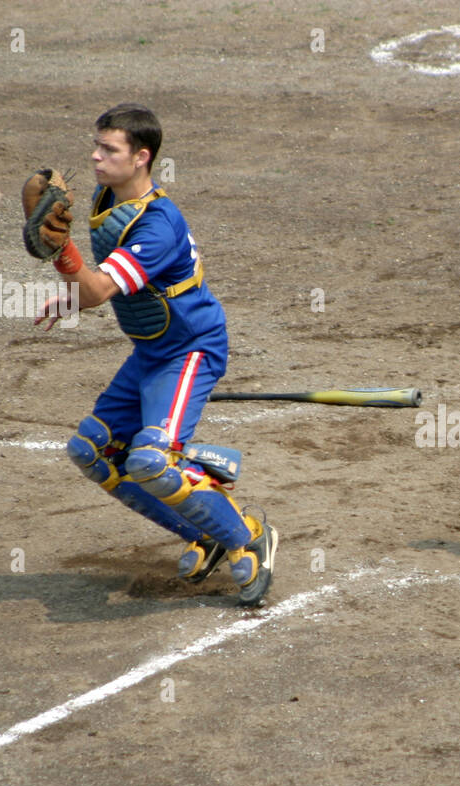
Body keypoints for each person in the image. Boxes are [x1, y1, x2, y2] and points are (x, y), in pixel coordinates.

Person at [28, 103, 277, 606]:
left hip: (190, 350)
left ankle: (246, 535)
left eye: (108, 150)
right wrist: (71, 292)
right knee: (91, 451)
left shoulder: (157, 224)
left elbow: (100, 291)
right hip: (151, 352)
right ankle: (200, 532)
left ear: (141, 157)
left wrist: (65, 259)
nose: (96, 158)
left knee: (151, 461)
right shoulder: (106, 199)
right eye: (96, 147)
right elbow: (101, 289)